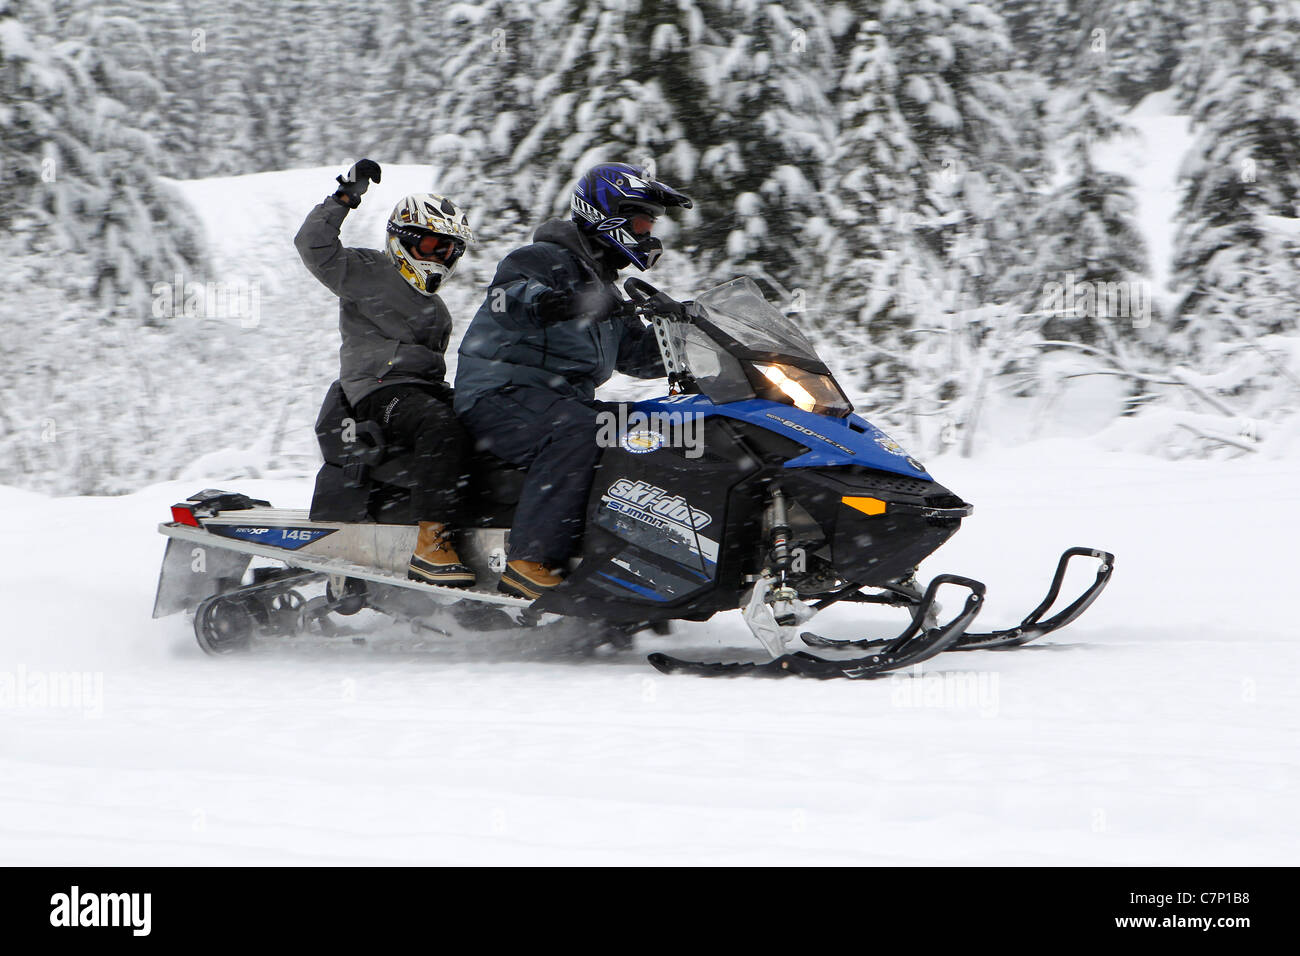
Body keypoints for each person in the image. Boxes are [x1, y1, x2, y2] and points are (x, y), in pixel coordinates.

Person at [454, 162, 692, 599]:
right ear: (607, 214)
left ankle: (629, 559)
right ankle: (530, 561)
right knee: (581, 431)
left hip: (562, 402)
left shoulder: (608, 291)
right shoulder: (540, 259)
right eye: (640, 220)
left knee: (654, 430)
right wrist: (569, 301)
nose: (647, 233)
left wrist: (689, 337)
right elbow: (512, 300)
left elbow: (637, 358)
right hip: (500, 393)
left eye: (650, 224)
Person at [295, 159, 478, 587]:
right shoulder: (366, 270)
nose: (441, 257)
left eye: (449, 250)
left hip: (422, 391)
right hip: (378, 392)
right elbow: (313, 245)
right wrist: (345, 196)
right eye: (432, 247)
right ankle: (432, 544)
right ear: (405, 240)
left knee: (487, 420)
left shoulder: (438, 309)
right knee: (440, 426)